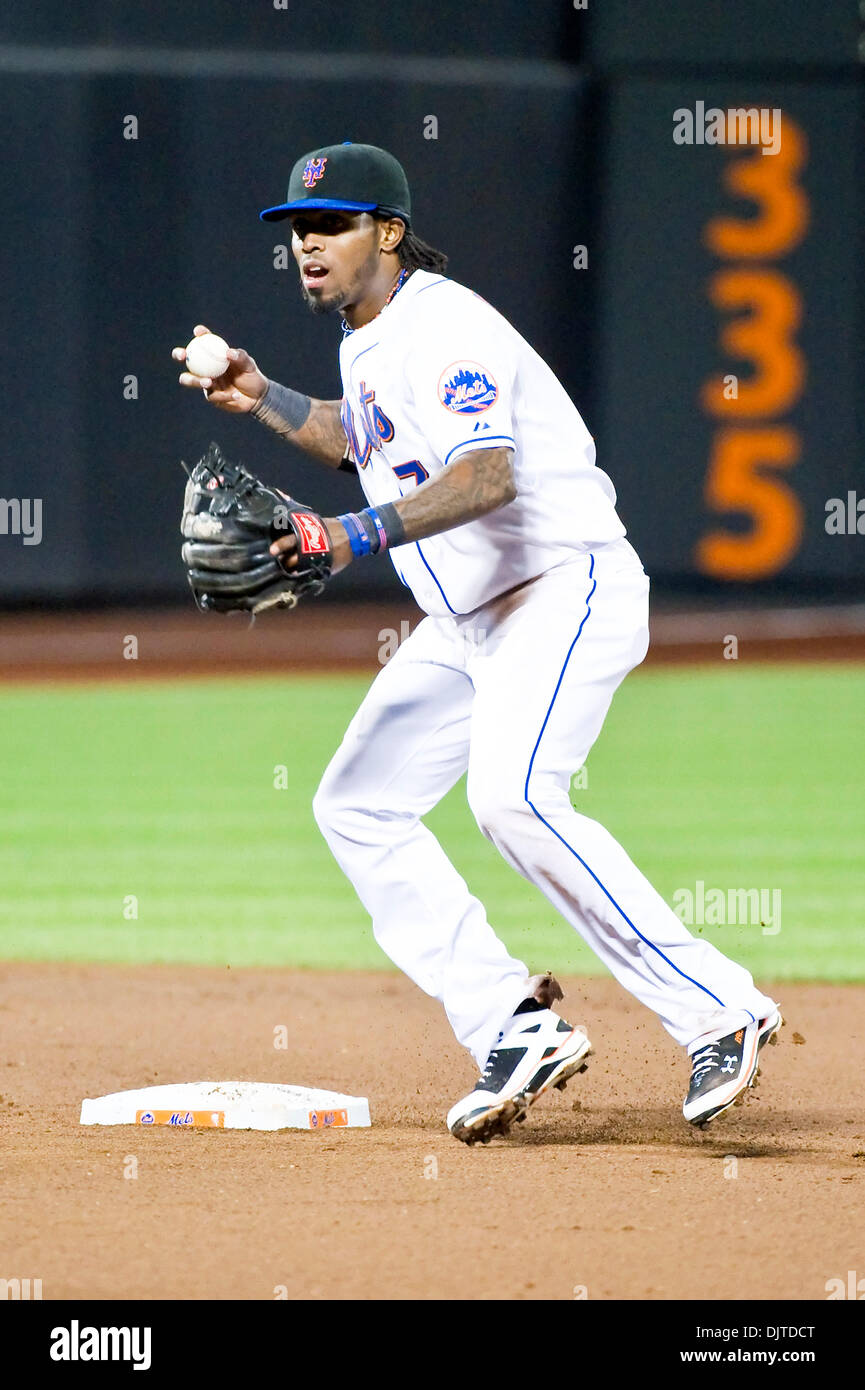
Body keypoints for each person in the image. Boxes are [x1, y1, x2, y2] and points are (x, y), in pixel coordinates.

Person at [173, 142, 782, 1146]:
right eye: (295, 229)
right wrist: (262, 395)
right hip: (471, 620)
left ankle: (719, 1009)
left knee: (515, 796)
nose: (307, 245)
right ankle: (511, 1022)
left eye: (329, 225)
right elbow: (362, 438)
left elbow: (485, 477)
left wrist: (351, 533)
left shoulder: (444, 324)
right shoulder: (368, 335)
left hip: (561, 585)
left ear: (391, 233)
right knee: (357, 805)